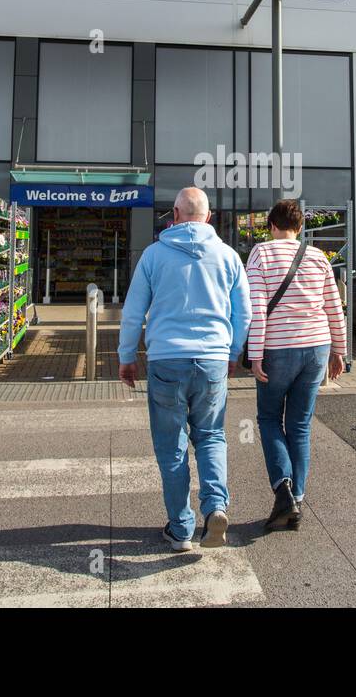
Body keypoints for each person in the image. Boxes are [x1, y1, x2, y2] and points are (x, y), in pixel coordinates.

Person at [118, 187, 251, 552]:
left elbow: (133, 312)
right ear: (208, 218)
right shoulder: (228, 257)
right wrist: (233, 352)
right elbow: (244, 312)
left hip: (166, 361)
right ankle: (215, 508)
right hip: (211, 360)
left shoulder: (153, 255)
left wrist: (126, 356)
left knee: (171, 446)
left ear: (173, 215)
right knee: (210, 436)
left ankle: (181, 529)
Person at [245, 200, 346, 532]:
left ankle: (283, 490)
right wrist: (339, 352)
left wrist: (255, 354)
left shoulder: (261, 254)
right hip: (317, 347)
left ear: (271, 226)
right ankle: (297, 498)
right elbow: (334, 307)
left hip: (278, 349)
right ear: (300, 228)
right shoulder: (318, 257)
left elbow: (257, 308)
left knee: (269, 418)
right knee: (300, 425)